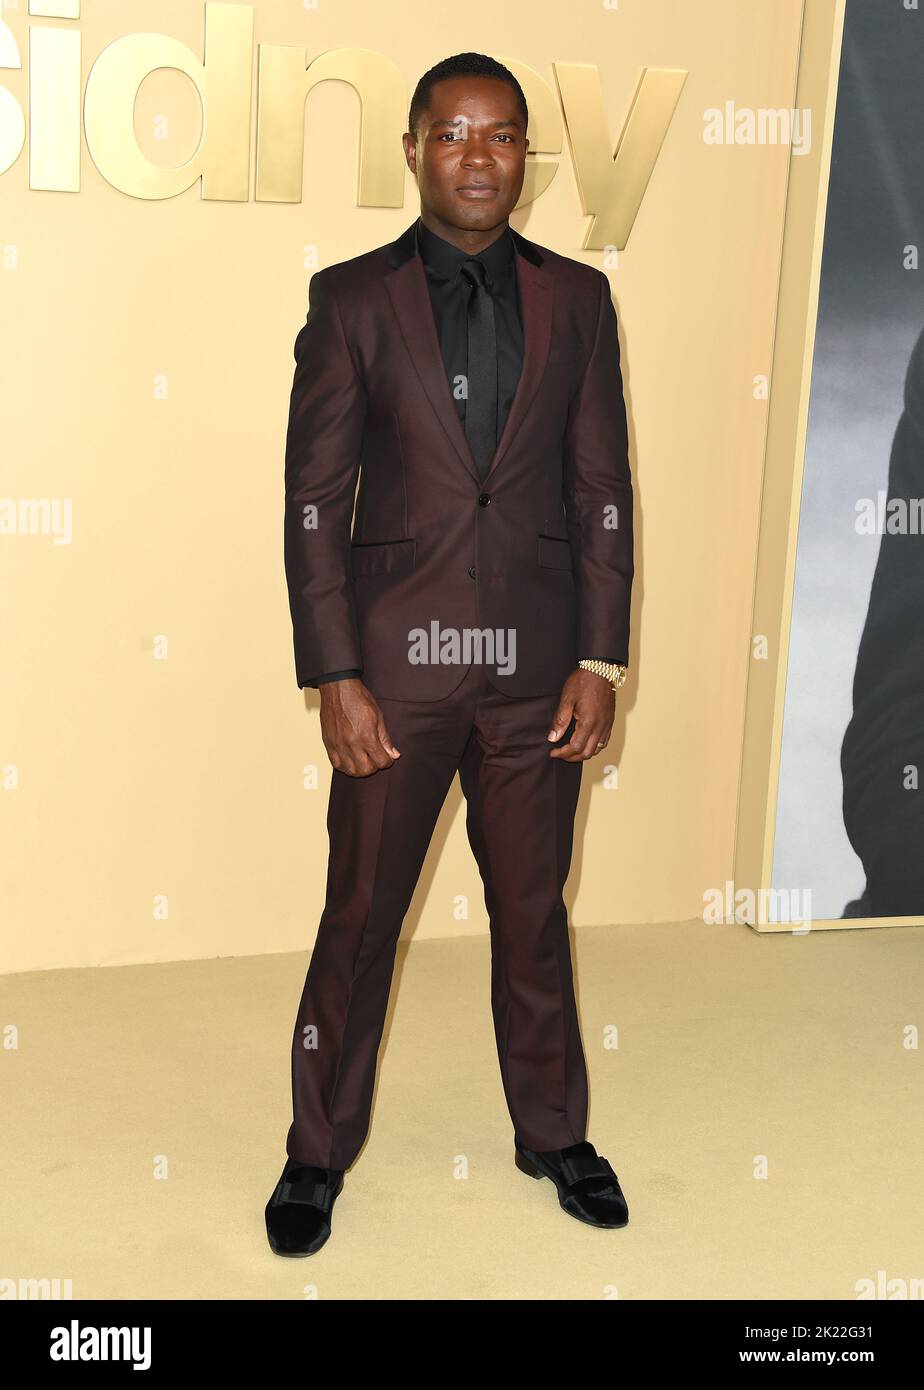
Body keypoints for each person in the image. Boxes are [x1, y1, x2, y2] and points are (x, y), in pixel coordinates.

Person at [265, 51, 634, 1256]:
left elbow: (600, 490)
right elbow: (314, 499)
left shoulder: (579, 300)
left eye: (505, 136)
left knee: (534, 913)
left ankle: (553, 1132)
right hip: (396, 674)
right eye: (455, 134)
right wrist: (336, 673)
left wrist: (600, 656)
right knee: (359, 917)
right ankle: (316, 1152)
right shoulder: (352, 300)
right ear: (416, 150)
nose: (481, 156)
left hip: (538, 675)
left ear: (527, 156)